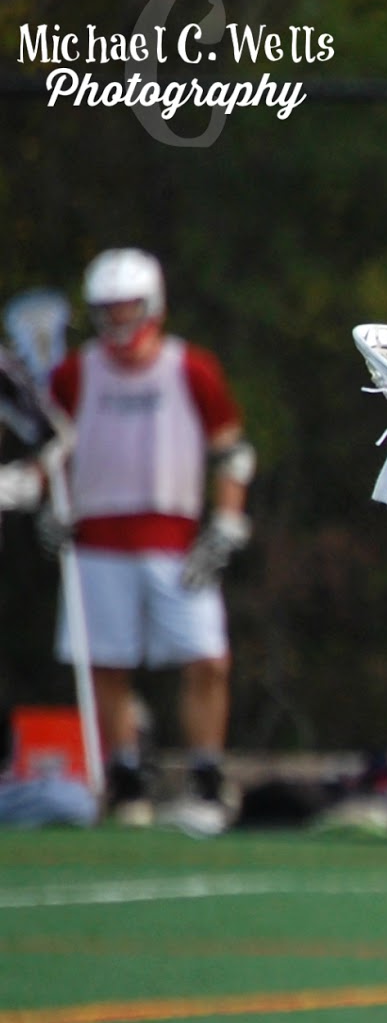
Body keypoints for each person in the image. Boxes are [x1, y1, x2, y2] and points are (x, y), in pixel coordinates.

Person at [44, 248, 255, 835]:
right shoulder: (75, 373)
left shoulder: (191, 369)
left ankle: (206, 775)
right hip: (97, 539)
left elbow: (232, 449)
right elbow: (51, 450)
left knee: (209, 659)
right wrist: (39, 496)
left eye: (127, 307)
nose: (118, 321)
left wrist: (227, 522)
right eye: (107, 310)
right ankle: (127, 776)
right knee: (106, 665)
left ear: (153, 305)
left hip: (176, 539)